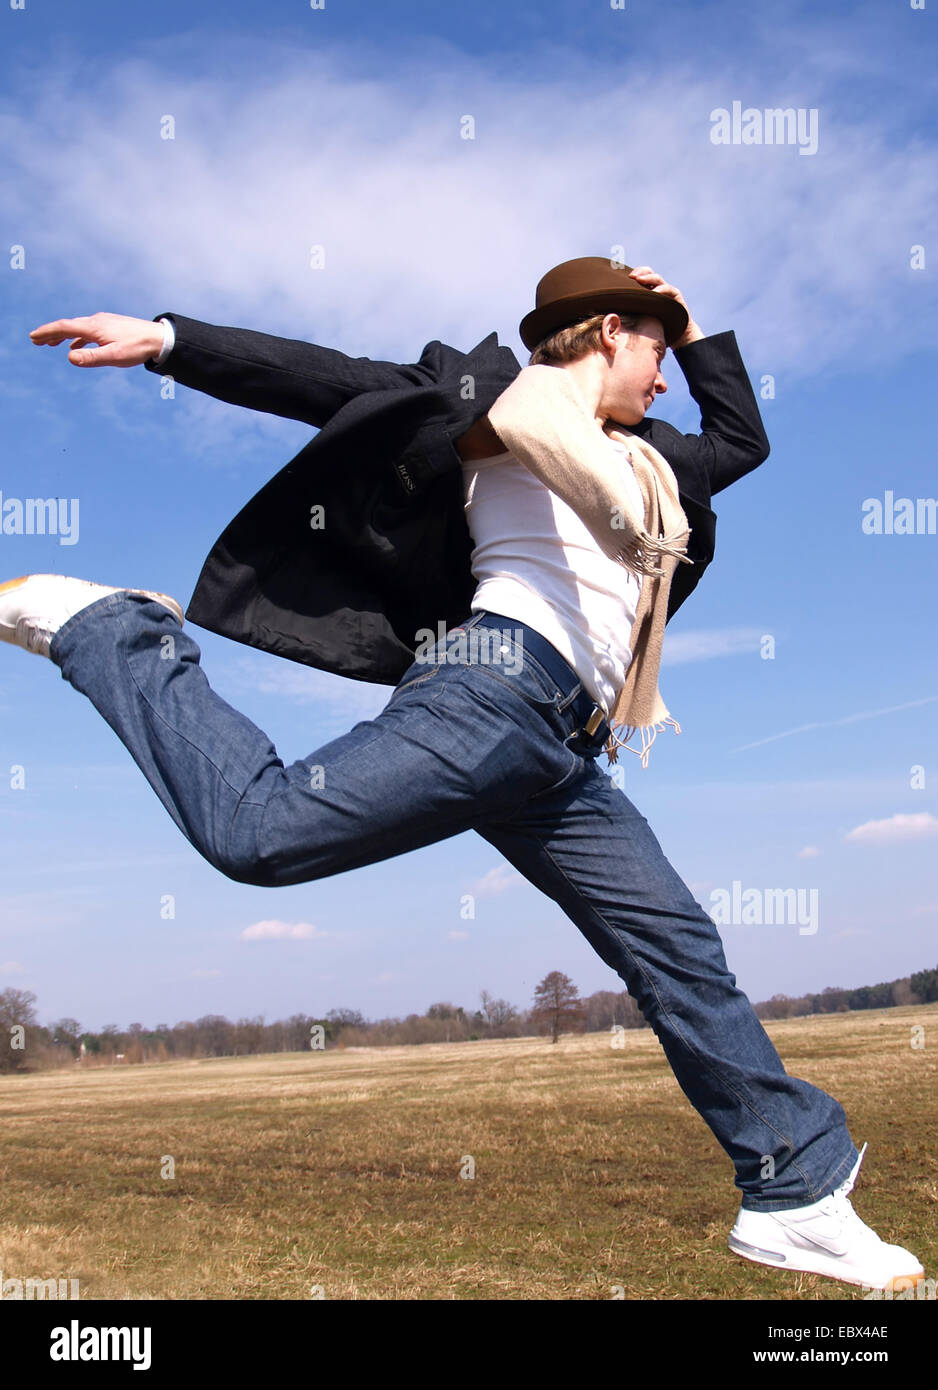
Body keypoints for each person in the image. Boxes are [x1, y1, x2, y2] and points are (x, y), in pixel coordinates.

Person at [6, 257, 923, 1293]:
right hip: (488, 689)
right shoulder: (483, 402)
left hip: (563, 747)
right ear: (606, 331)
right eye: (657, 352)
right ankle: (107, 629)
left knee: (680, 953)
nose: (666, 379)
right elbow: (322, 378)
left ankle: (793, 1192)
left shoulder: (655, 462)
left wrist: (688, 320)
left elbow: (741, 440)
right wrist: (172, 341)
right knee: (256, 834)